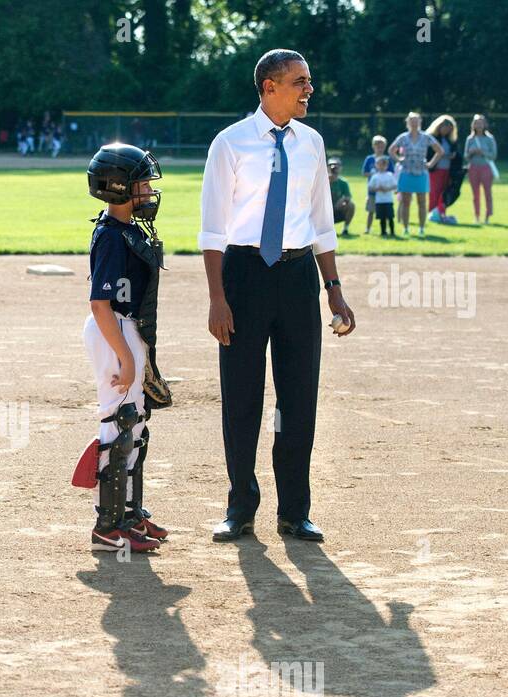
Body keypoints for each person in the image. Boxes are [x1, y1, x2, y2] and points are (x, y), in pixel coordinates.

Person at [198, 49, 356, 545]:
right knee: (241, 397)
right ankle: (240, 507)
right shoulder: (230, 144)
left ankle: (295, 512)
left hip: (296, 278)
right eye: (300, 81)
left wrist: (333, 291)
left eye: (308, 81)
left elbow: (323, 225)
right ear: (269, 86)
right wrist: (217, 298)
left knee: (298, 398)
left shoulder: (311, 143)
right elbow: (212, 229)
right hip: (244, 275)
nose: (309, 89)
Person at [81, 143, 171, 554]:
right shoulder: (111, 237)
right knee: (118, 422)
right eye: (142, 182)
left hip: (125, 328)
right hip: (111, 328)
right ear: (118, 187)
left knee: (135, 422)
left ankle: (129, 515)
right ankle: (106, 525)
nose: (149, 189)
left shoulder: (128, 230)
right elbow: (99, 304)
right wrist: (126, 356)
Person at [390, 112, 443, 238]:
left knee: (422, 202)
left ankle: (421, 229)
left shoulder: (426, 137)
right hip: (406, 172)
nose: (414, 123)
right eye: (411, 121)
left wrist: (430, 164)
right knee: (406, 202)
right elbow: (391, 150)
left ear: (420, 122)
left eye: (416, 121)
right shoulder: (403, 137)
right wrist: (399, 160)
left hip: (421, 173)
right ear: (408, 123)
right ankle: (406, 228)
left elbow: (439, 151)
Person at [463, 114, 497, 224]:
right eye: (476, 123)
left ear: (484, 125)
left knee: (487, 192)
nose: (478, 125)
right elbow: (466, 156)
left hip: (486, 167)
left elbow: (493, 155)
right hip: (473, 167)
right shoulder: (470, 139)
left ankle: (488, 216)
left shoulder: (489, 138)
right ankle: (476, 216)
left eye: (481, 123)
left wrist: (483, 152)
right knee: (475, 194)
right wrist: (472, 153)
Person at [425, 114, 458, 222]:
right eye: (445, 127)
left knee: (443, 194)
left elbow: (455, 153)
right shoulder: (432, 138)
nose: (447, 130)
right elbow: (431, 153)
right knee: (434, 192)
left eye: (449, 128)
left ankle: (441, 213)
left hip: (447, 170)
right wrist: (444, 155)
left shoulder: (450, 140)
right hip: (435, 170)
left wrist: (453, 156)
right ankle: (432, 214)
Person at [361, 135, 387, 234]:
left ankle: (384, 230)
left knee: (384, 211)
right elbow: (364, 173)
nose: (380, 149)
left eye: (382, 146)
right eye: (378, 146)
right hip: (372, 190)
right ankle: (368, 229)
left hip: (384, 190)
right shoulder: (369, 159)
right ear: (373, 147)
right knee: (371, 210)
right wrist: (373, 173)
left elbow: (391, 173)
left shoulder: (386, 159)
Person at [368, 155, 398, 236]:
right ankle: (383, 231)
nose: (381, 167)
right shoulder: (375, 176)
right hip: (379, 200)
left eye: (383, 165)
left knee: (390, 217)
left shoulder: (390, 175)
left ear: (387, 166)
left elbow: (395, 185)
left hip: (388, 200)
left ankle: (392, 232)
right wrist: (377, 189)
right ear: (376, 165)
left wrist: (387, 189)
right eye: (379, 164)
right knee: (382, 218)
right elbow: (370, 187)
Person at [328, 157, 354, 235]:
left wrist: (342, 201)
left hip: (336, 209)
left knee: (351, 205)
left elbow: (348, 197)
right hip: (323, 210)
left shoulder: (343, 182)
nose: (334, 168)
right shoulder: (322, 181)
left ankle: (345, 229)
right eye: (331, 165)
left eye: (337, 166)